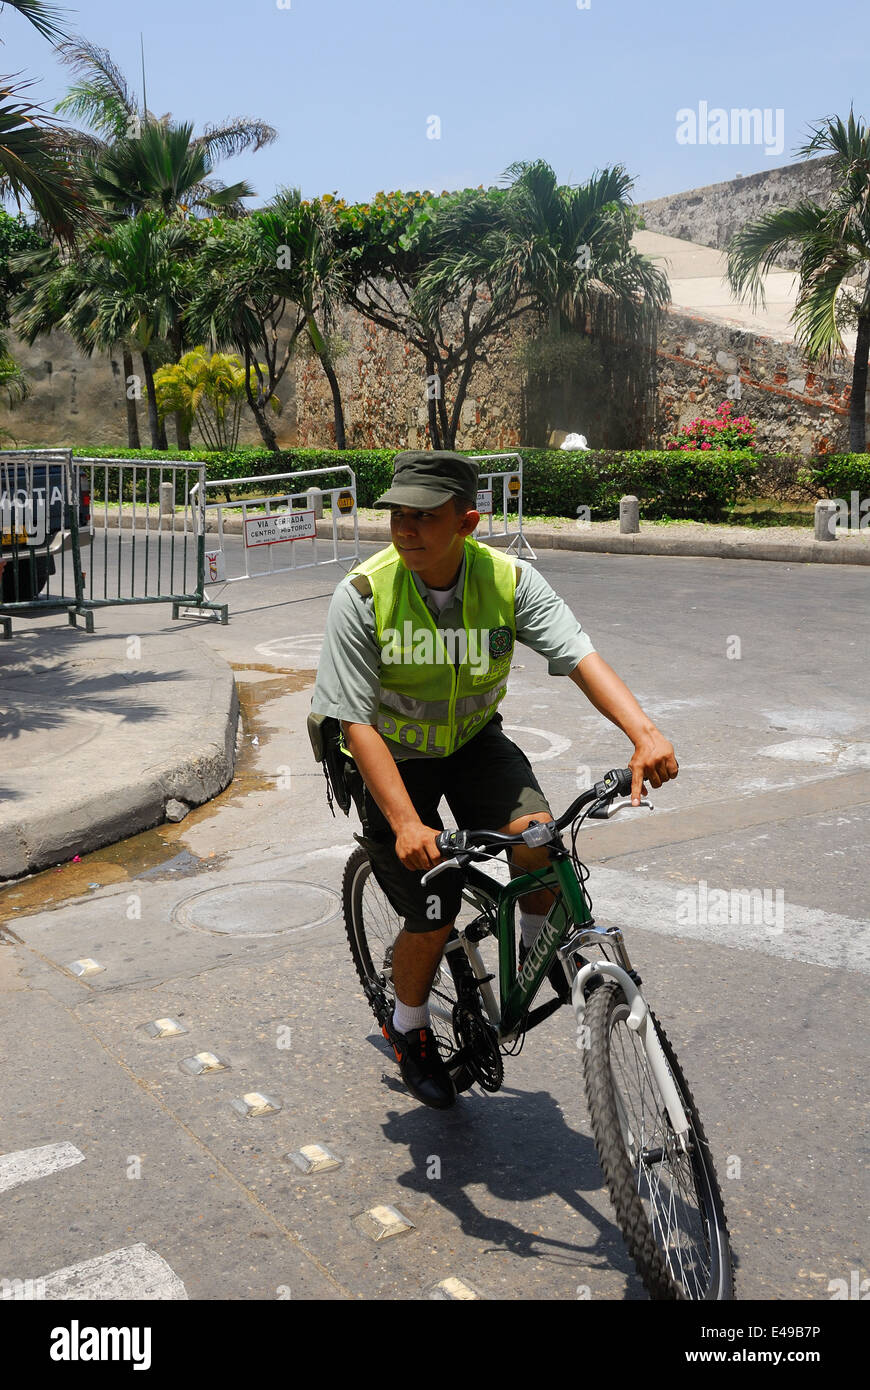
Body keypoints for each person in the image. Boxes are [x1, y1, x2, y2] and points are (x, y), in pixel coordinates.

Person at [310, 451, 678, 1109]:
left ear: (468, 522)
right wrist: (405, 824)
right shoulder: (363, 595)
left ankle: (535, 957)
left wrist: (644, 734)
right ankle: (410, 1026)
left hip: (474, 742)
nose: (405, 529)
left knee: (539, 838)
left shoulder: (507, 581)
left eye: (424, 517)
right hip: (389, 760)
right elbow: (356, 724)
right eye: (397, 514)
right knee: (433, 907)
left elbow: (578, 654)